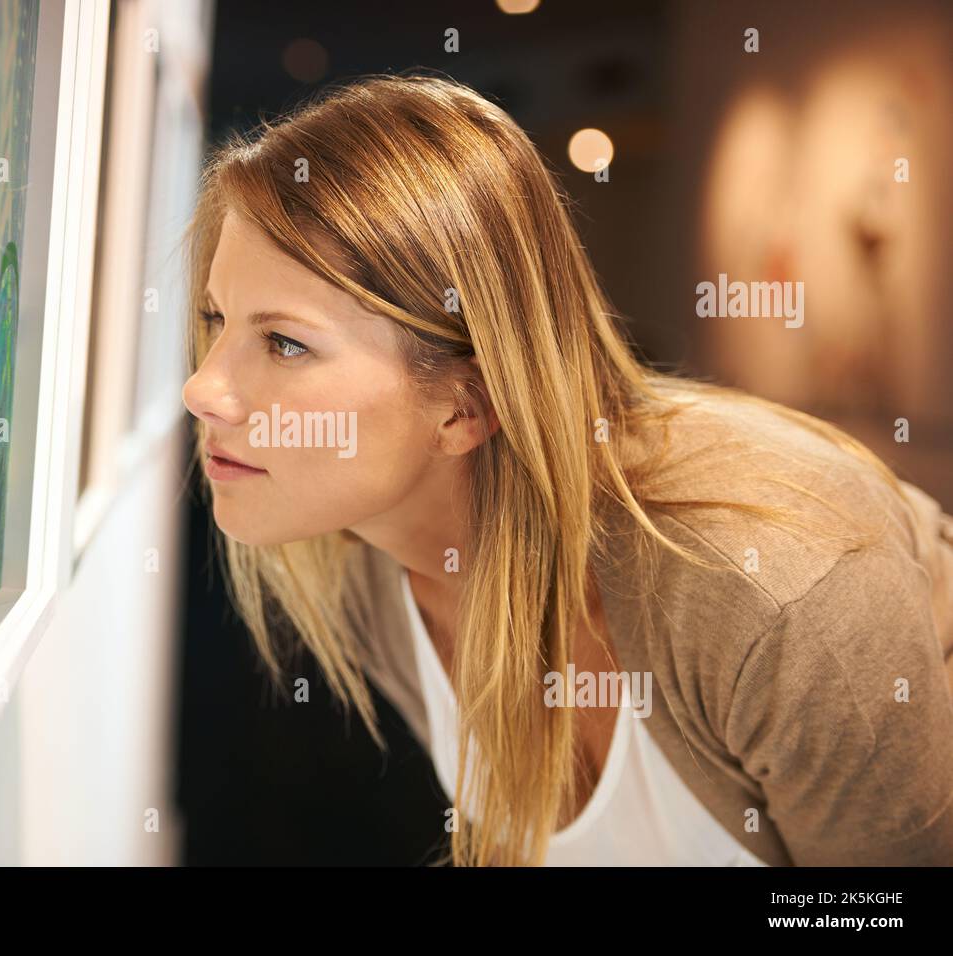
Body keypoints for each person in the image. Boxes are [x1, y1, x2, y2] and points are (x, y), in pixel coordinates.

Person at [180, 73, 953, 866]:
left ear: (464, 405)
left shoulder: (765, 589)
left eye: (285, 343)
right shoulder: (373, 574)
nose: (202, 388)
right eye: (216, 319)